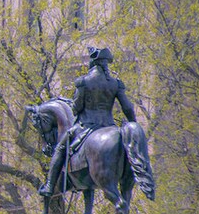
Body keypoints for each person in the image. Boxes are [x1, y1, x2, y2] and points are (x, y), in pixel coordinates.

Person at [38, 46, 138, 197]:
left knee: (59, 149)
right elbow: (128, 108)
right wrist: (133, 124)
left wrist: (76, 108)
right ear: (106, 64)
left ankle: (49, 186)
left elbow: (76, 107)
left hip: (87, 127)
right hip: (110, 126)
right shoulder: (116, 83)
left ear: (93, 62)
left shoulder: (83, 82)